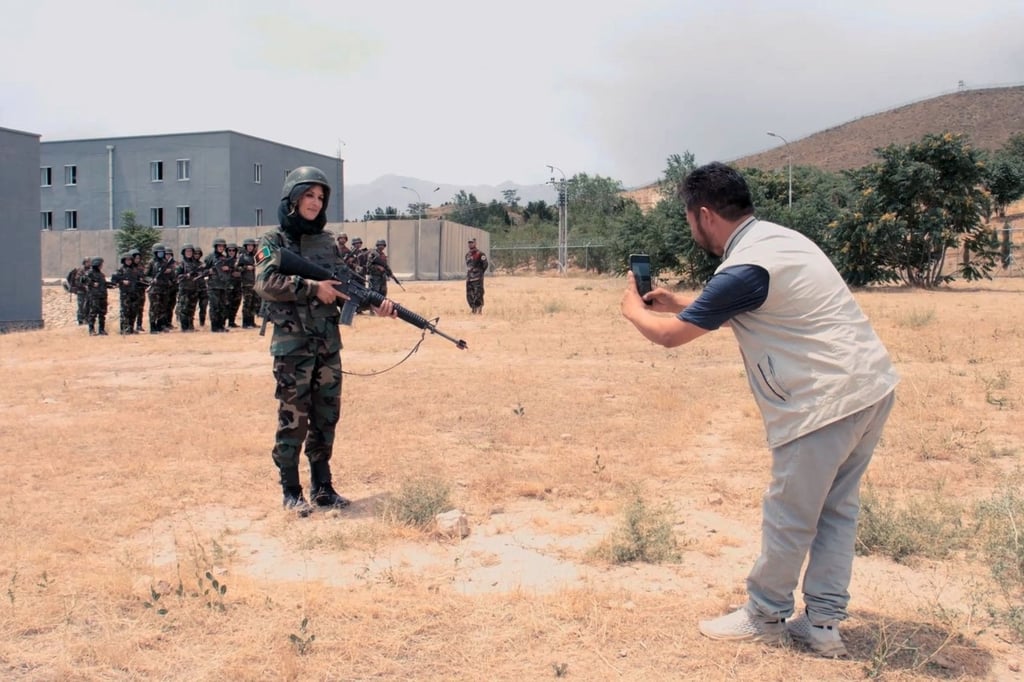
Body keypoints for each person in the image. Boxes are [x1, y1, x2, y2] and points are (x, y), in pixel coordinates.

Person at [620, 162, 899, 658]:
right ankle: (823, 624)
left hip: (823, 403)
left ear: (705, 215)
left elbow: (669, 338)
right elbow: (763, 306)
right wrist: (681, 301)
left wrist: (633, 310)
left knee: (790, 515)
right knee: (836, 510)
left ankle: (765, 615)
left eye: (688, 217)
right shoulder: (780, 241)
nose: (691, 227)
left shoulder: (745, 266)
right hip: (870, 388)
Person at [254, 166, 396, 517]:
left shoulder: (327, 242)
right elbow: (265, 283)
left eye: (320, 197)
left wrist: (374, 303)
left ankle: (323, 487)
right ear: (292, 198)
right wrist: (311, 287)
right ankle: (291, 490)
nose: (315, 203)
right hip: (293, 346)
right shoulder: (273, 241)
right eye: (309, 195)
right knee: (293, 419)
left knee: (326, 416)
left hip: (327, 345)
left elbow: (345, 284)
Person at [82, 257, 112, 335]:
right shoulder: (90, 273)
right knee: (93, 314)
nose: (102, 266)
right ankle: (91, 330)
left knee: (102, 314)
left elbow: (103, 284)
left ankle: (101, 330)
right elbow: (83, 280)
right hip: (94, 297)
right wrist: (92, 283)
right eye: (101, 264)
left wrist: (111, 285)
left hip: (102, 296)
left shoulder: (101, 275)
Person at [465, 238, 489, 313]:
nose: (470, 244)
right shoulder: (467, 255)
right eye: (469, 243)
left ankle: (479, 310)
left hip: (477, 278)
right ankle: (473, 309)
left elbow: (485, 264)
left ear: (475, 243)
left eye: (472, 242)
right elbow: (468, 265)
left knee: (478, 294)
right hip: (469, 278)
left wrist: (480, 272)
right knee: (469, 295)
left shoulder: (480, 254)